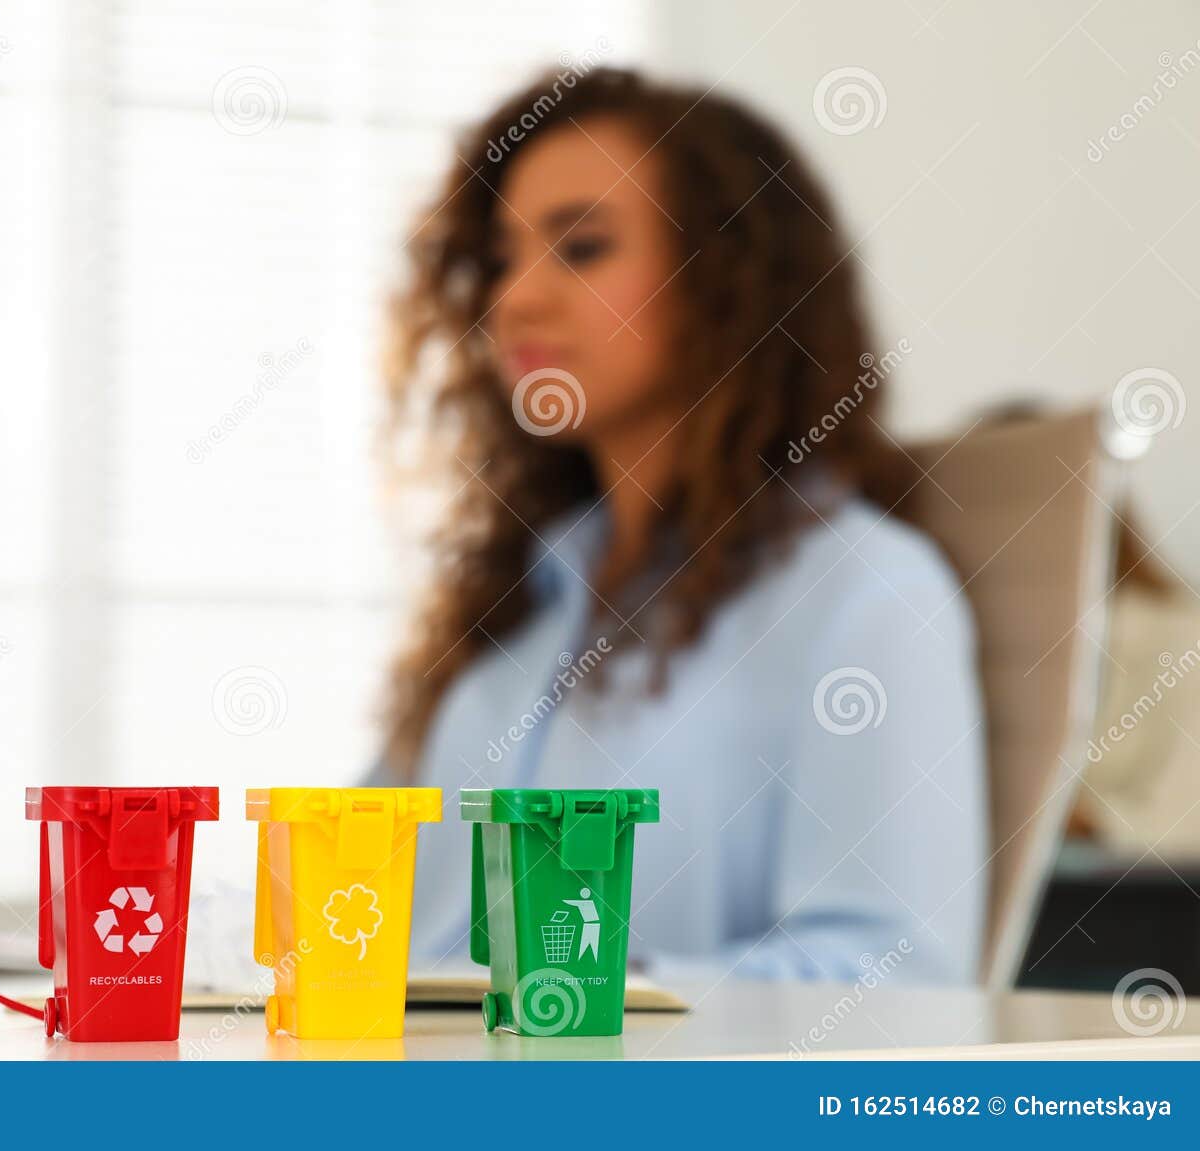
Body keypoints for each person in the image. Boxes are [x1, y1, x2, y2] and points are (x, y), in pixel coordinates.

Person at [370, 68, 987, 984]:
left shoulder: (871, 597)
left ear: (726, 280)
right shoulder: (512, 606)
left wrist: (584, 996)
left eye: (580, 248)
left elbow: (893, 974)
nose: (517, 301)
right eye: (503, 259)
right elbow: (352, 900)